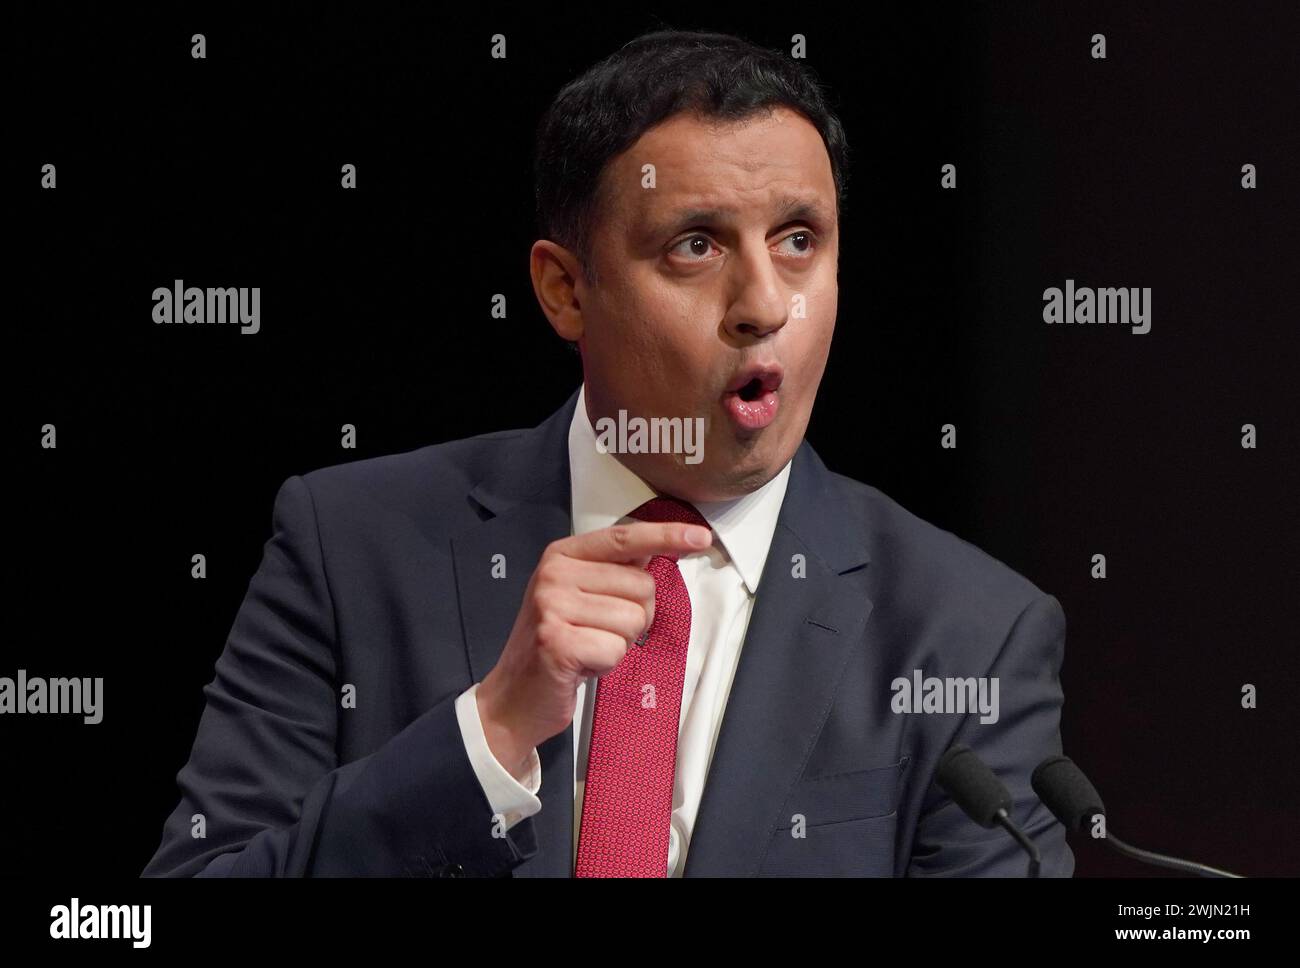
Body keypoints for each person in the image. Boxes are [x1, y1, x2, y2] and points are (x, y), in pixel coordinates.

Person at [143, 29, 1072, 878]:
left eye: (799, 241)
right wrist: (491, 731)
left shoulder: (969, 635)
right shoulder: (349, 547)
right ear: (563, 291)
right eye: (696, 245)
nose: (763, 304)